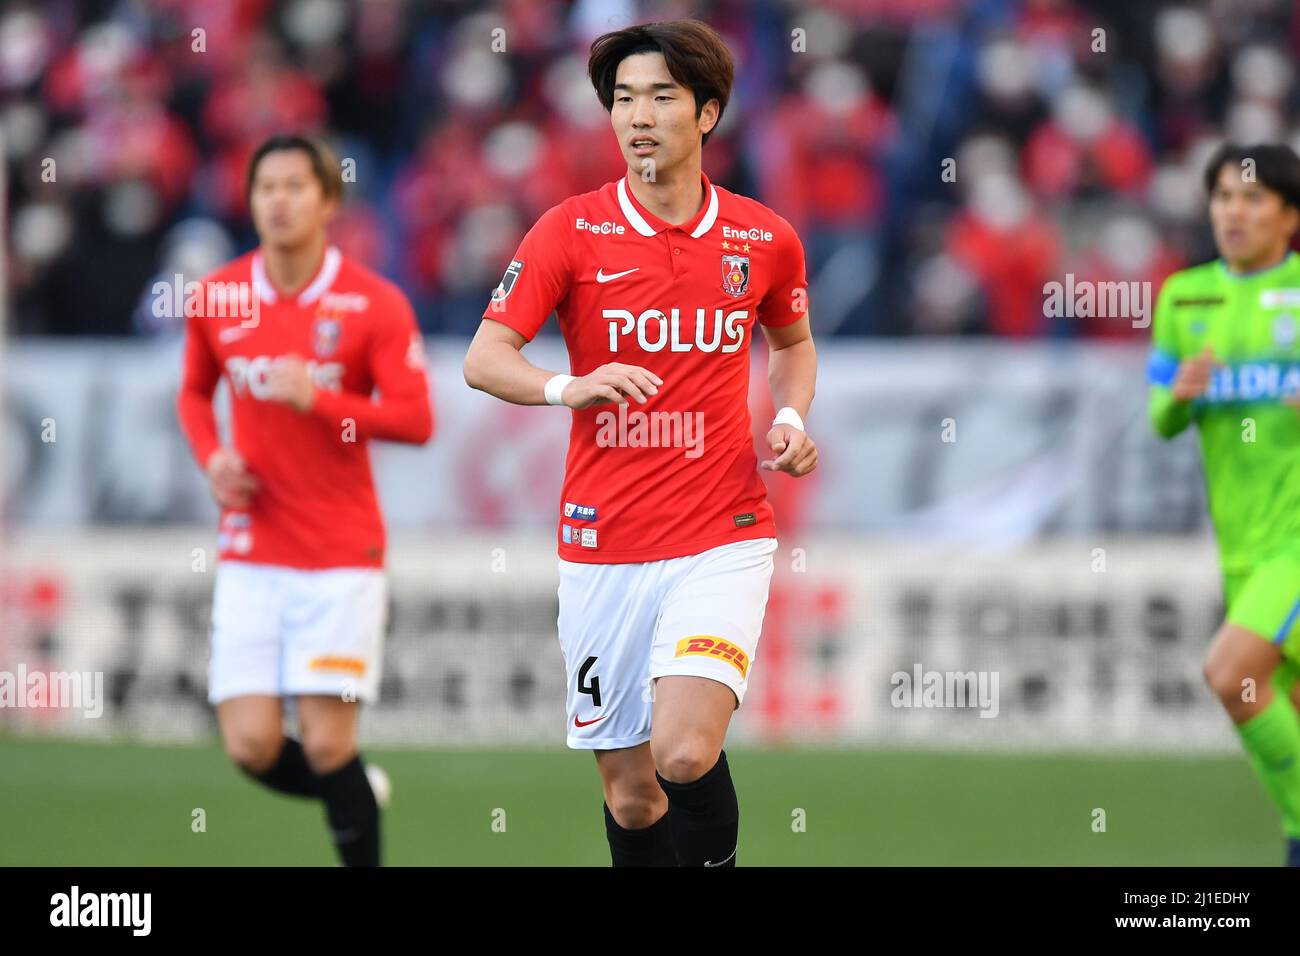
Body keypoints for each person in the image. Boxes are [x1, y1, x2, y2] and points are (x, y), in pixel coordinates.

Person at [463, 19, 818, 867]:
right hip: (602, 545)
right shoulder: (568, 232)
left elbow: (793, 347)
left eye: (661, 96)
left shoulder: (762, 239)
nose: (638, 116)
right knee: (632, 796)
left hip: (721, 534)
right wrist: (566, 386)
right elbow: (484, 358)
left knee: (685, 753)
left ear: (708, 113)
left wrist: (792, 420)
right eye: (623, 99)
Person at [176, 134, 434, 866]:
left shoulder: (373, 302)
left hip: (338, 550)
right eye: (266, 188)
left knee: (326, 741)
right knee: (252, 745)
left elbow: (416, 420)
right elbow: (194, 393)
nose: (279, 201)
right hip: (252, 545)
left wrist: (320, 399)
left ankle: (349, 795)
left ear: (328, 201)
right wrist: (213, 458)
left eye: (295, 186)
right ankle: (356, 789)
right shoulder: (217, 296)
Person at [1147, 141, 1300, 865]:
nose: (1233, 212)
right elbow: (1160, 419)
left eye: (1253, 199)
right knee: (1285, 709)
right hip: (1240, 545)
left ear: (1289, 216)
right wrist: (1179, 396)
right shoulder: (1186, 296)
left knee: (1230, 675)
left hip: (1294, 543)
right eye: (1222, 197)